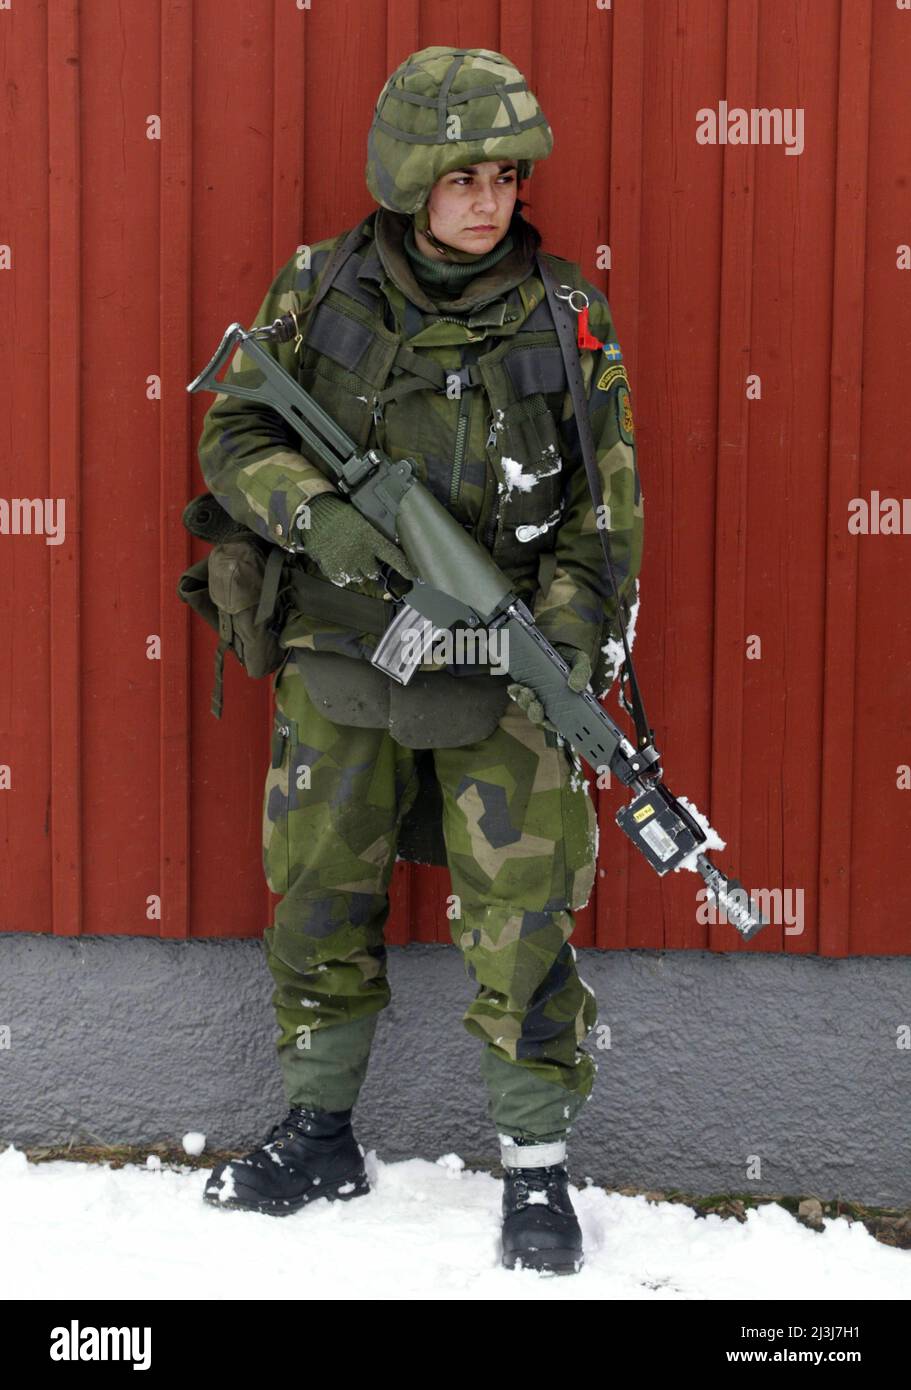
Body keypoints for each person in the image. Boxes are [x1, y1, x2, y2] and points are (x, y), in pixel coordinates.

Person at [195, 45, 643, 1275]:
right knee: (320, 894)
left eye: (503, 175)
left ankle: (536, 1169)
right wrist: (315, 517)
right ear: (408, 178)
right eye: (462, 176)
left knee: (522, 916)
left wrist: (560, 644)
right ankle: (320, 1128)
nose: (488, 199)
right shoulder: (319, 286)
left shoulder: (566, 317)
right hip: (343, 648)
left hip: (501, 668)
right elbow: (232, 430)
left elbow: (604, 519)